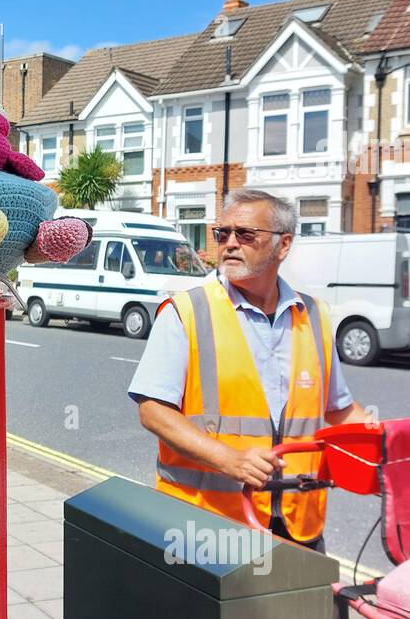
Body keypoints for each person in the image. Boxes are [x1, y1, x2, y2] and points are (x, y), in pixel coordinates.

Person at [129, 188, 368, 550]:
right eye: (222, 234)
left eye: (245, 234)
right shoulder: (186, 311)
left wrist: (391, 446)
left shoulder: (315, 316)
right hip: (208, 523)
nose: (229, 244)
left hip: (298, 521)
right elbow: (153, 412)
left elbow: (340, 411)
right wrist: (229, 460)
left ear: (283, 245)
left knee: (309, 608)